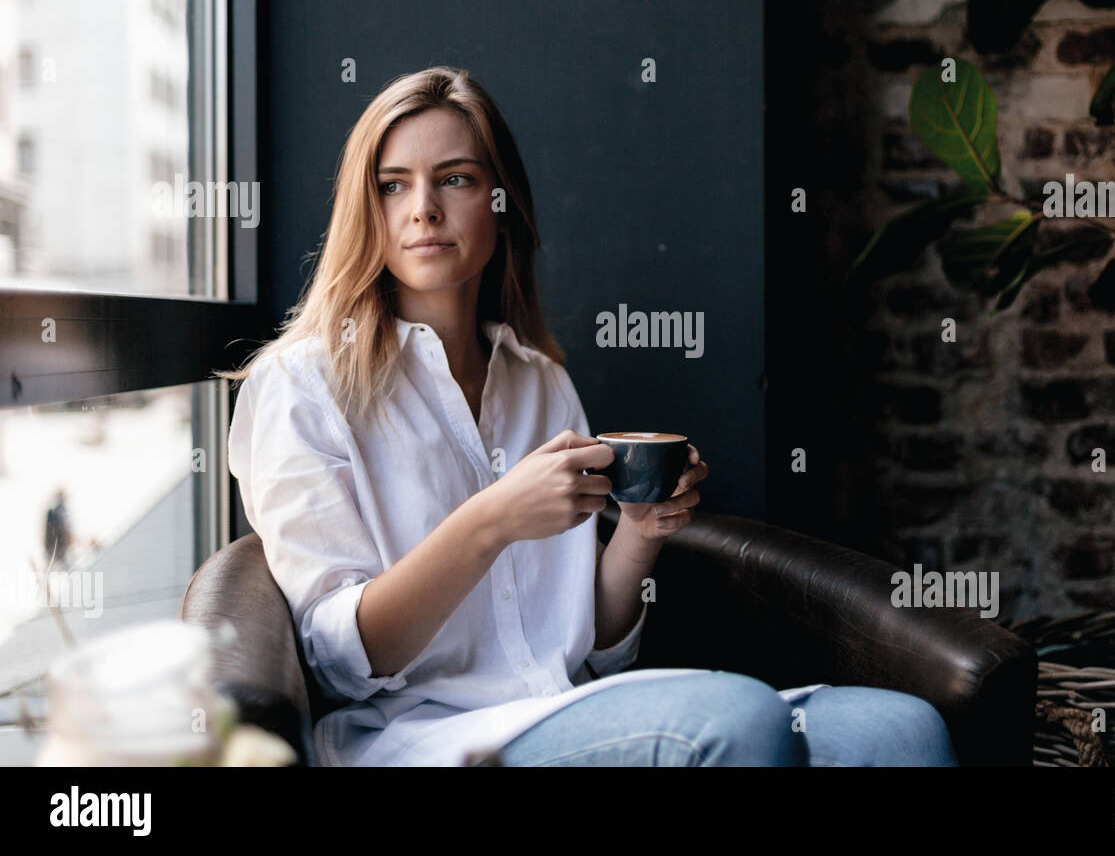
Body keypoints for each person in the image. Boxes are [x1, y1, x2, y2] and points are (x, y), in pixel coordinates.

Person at [220, 66, 958, 767]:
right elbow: (338, 662)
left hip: (567, 709)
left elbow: (593, 648)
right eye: (392, 185)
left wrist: (639, 533)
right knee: (735, 718)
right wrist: (491, 520)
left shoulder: (541, 382)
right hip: (424, 741)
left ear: (501, 202)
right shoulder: (302, 385)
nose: (424, 209)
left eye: (456, 178)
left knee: (898, 729)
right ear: (365, 205)